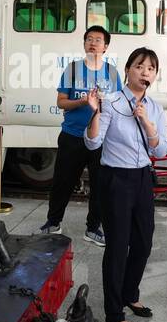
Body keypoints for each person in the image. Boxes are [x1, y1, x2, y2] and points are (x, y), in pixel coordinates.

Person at [85, 48, 167, 322]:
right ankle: (114, 313)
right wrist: (95, 113)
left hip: (143, 179)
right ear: (128, 70)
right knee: (118, 246)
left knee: (144, 243)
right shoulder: (110, 103)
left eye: (151, 69)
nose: (145, 72)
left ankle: (130, 294)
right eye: (139, 66)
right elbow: (93, 144)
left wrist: (146, 121)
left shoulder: (156, 109)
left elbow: (161, 150)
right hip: (116, 180)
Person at [40, 25, 122, 245]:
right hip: (72, 136)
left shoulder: (112, 73)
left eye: (98, 40)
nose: (93, 43)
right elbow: (61, 102)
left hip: (100, 139)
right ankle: (53, 222)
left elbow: (118, 105)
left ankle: (93, 229)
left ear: (106, 47)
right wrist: (83, 101)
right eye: (89, 39)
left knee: (100, 185)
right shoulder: (73, 69)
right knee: (62, 182)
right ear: (84, 44)